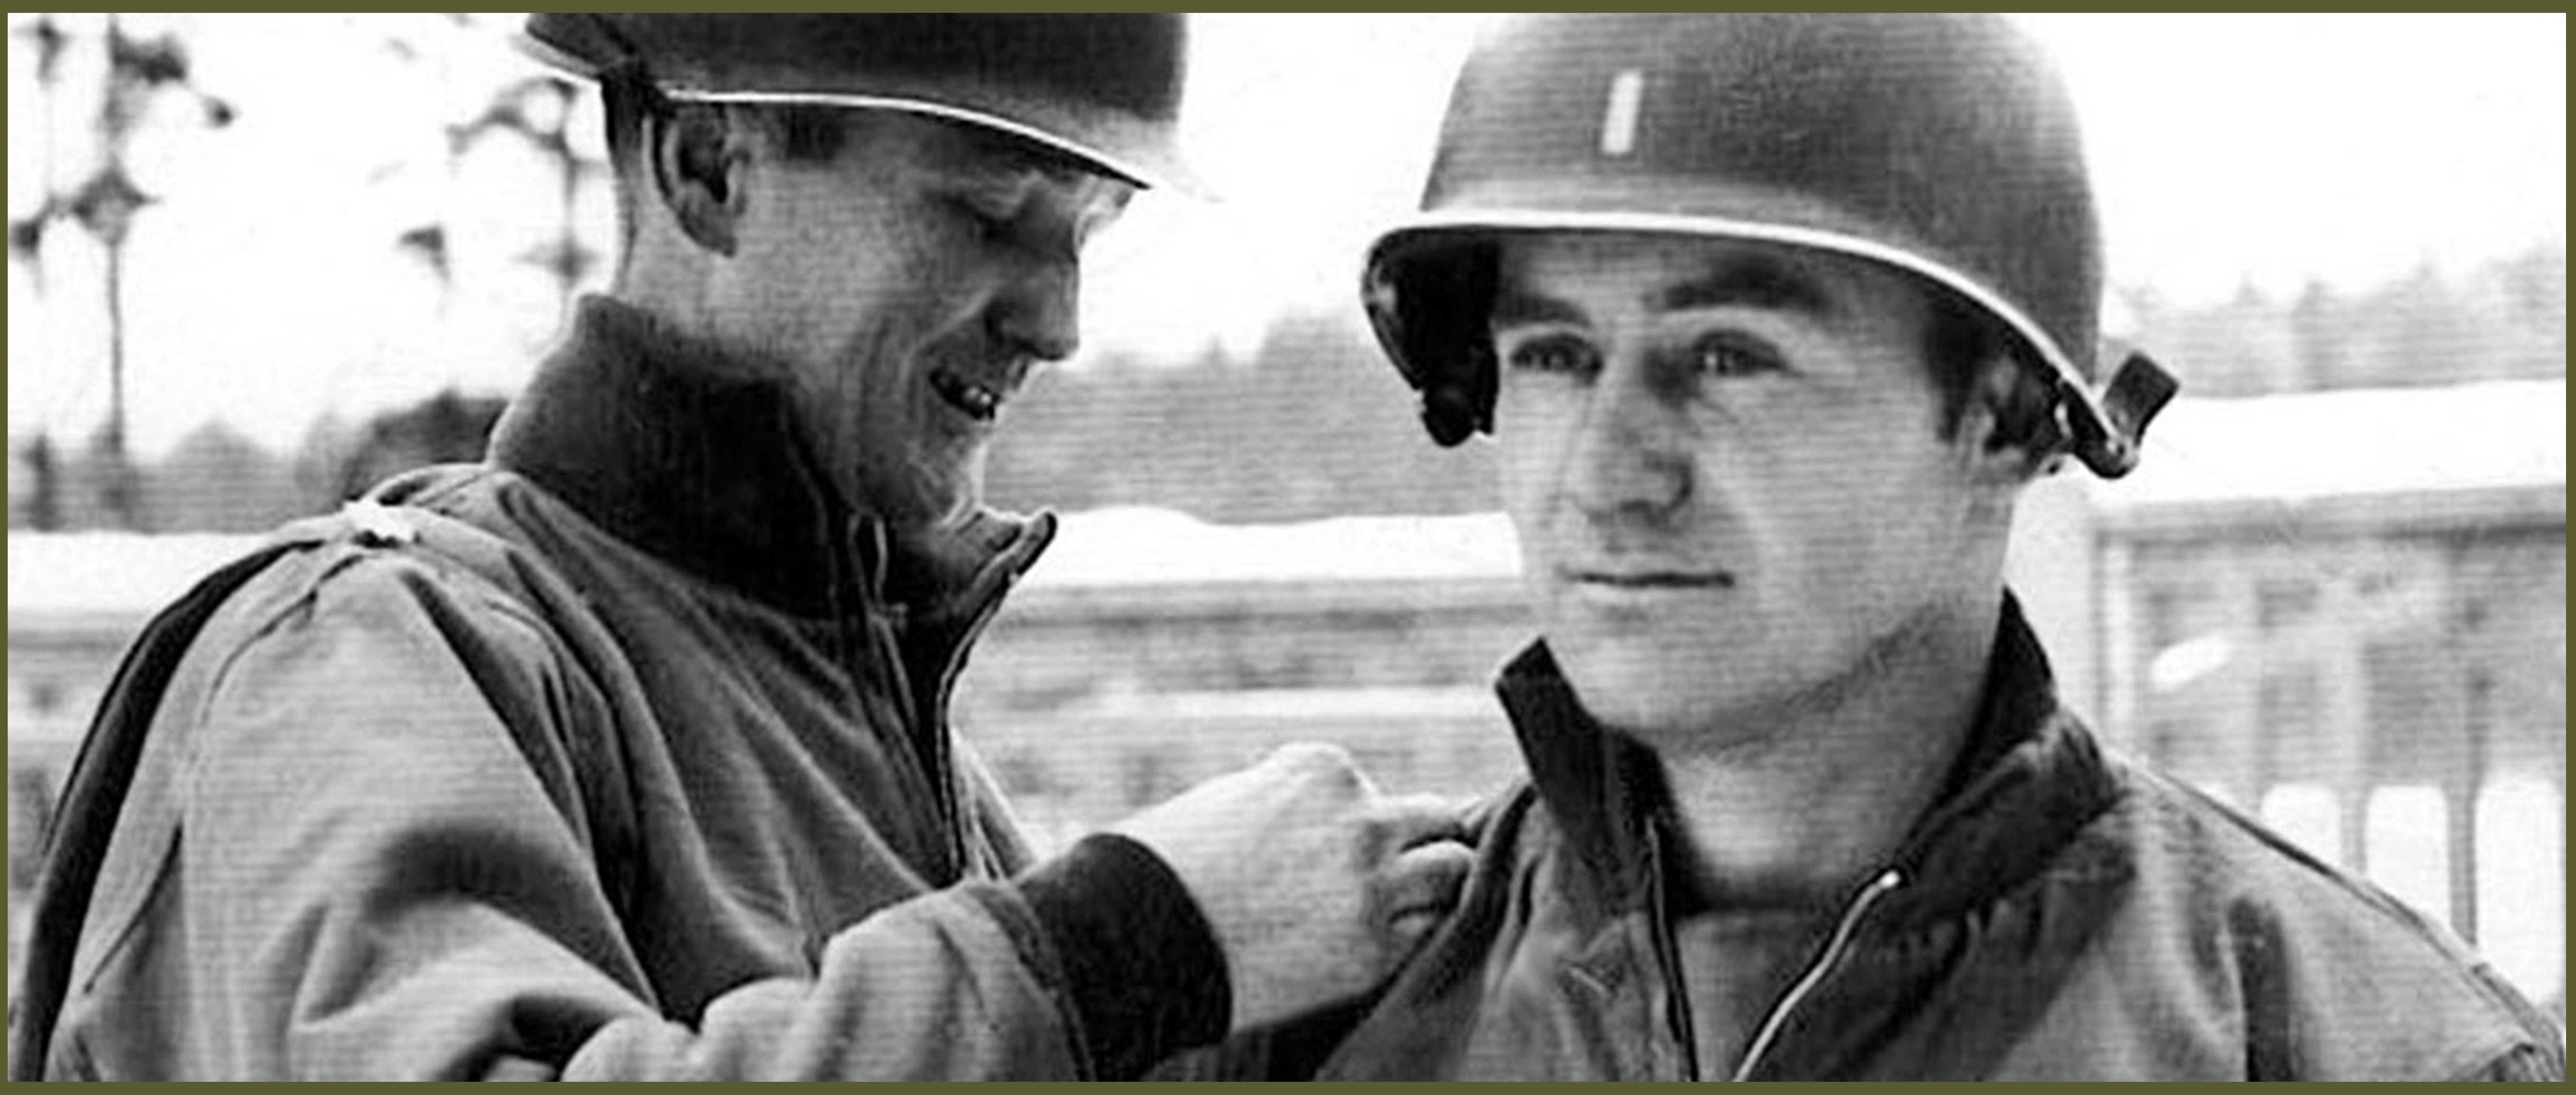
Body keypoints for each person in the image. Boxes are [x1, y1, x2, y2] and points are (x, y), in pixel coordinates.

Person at [8, 14, 1471, 1080]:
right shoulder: (371, 652)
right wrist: (1128, 945)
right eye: (984, 214)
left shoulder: (833, 695)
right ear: (709, 163)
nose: (1058, 319)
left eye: (1084, 230)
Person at [1164, 12, 2566, 1081]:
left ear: (2007, 419)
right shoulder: (1320, 1018)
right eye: (1552, 354)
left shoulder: (2348, 1041)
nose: (1605, 473)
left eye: (1726, 356)